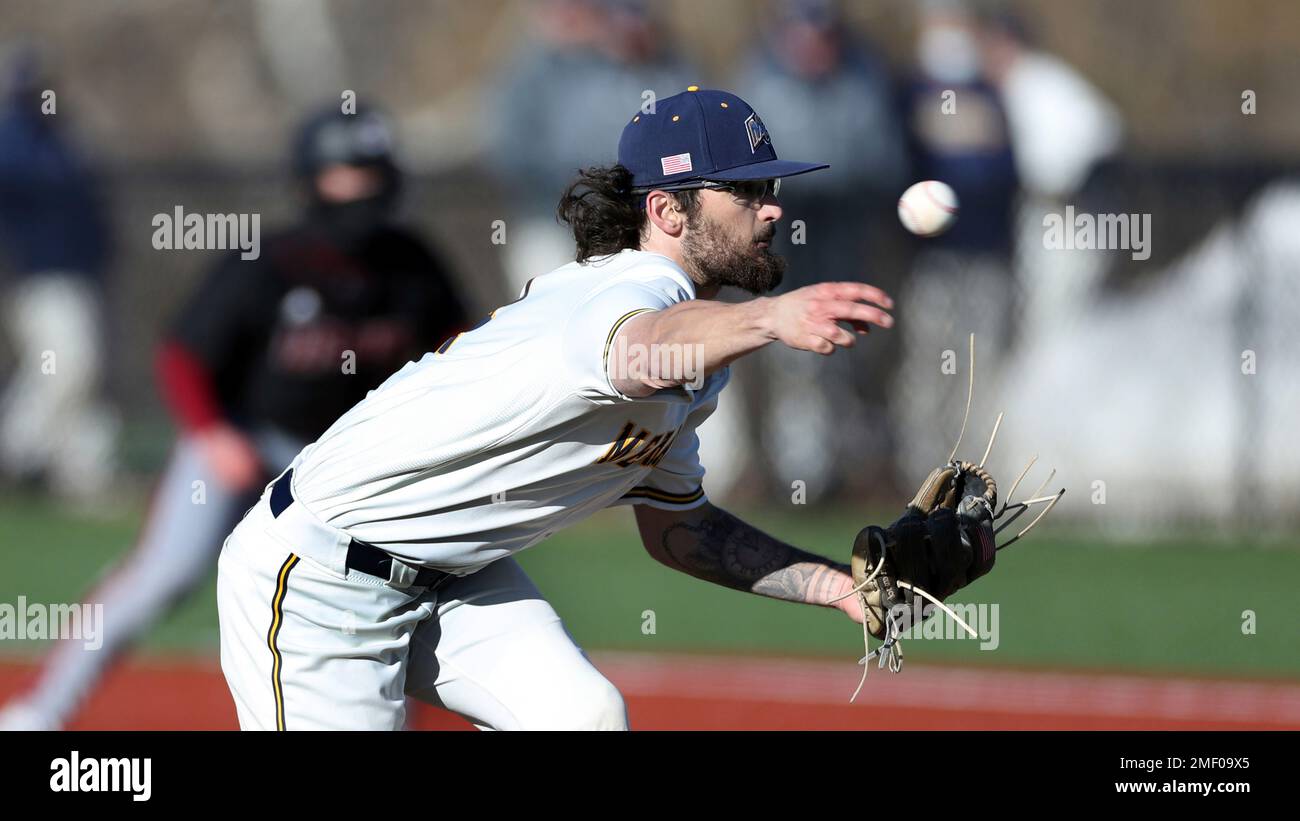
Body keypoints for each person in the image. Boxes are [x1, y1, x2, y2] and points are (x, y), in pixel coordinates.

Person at [213, 87, 898, 731]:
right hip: (320, 581)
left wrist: (840, 587)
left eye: (771, 187)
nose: (772, 207)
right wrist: (771, 317)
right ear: (666, 211)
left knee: (583, 715)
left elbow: (682, 532)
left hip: (455, 577)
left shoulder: (694, 350)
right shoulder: (624, 295)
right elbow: (636, 352)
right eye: (746, 189)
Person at [0, 103, 469, 731]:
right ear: (312, 177)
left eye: (373, 171)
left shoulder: (415, 264)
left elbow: (461, 350)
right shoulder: (272, 261)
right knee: (162, 575)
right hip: (248, 444)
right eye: (348, 171)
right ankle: (39, 712)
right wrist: (213, 434)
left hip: (348, 468)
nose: (364, 186)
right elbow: (183, 355)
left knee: (386, 595)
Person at [0, 45, 117, 502]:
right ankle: (16, 451)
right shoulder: (15, 140)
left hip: (78, 272)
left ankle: (81, 472)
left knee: (73, 375)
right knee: (67, 368)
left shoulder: (59, 137)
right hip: (39, 275)